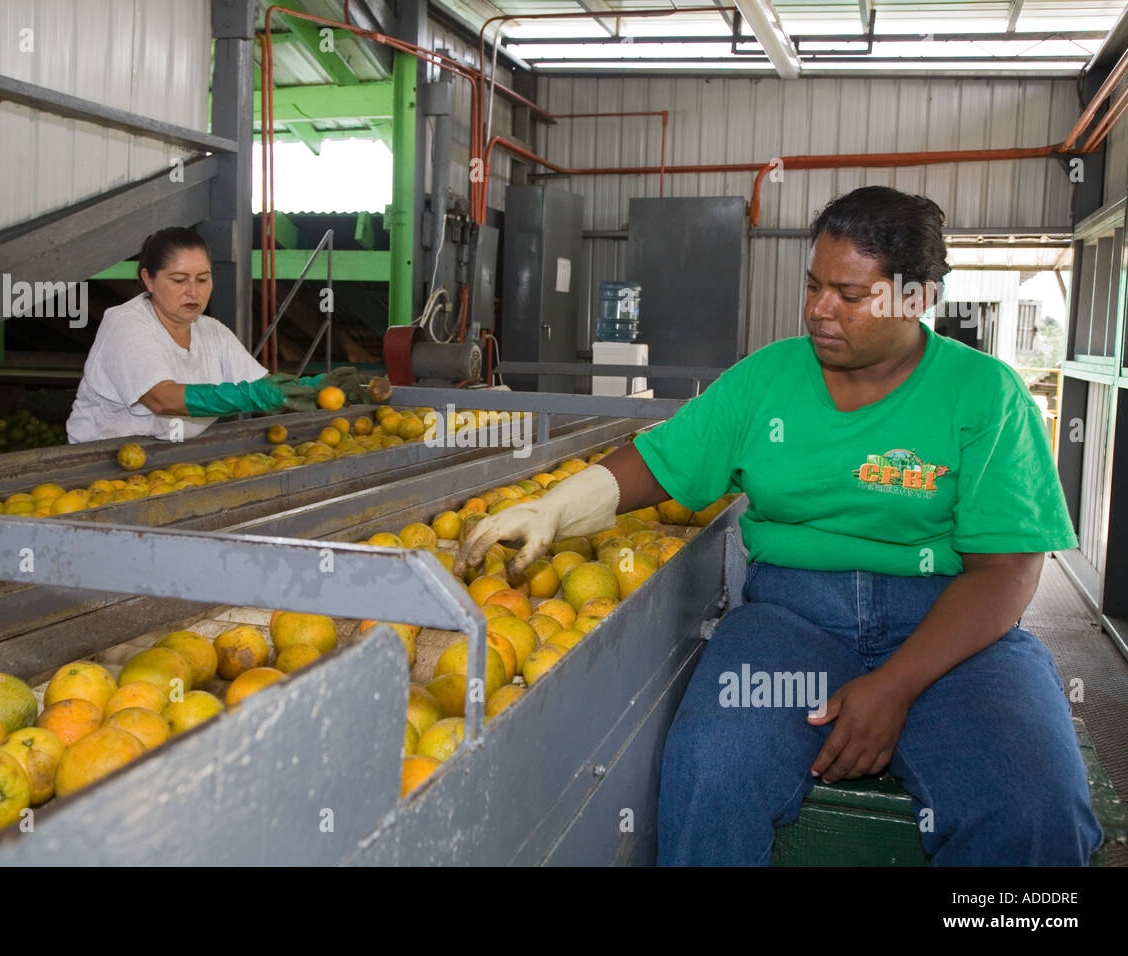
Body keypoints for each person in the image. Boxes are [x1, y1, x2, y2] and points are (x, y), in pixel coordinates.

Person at [455, 185, 1103, 866]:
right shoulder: (767, 379)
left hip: (950, 631)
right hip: (793, 621)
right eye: (813, 285)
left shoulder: (986, 396)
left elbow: (1006, 572)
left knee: (1037, 811)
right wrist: (555, 506)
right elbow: (662, 461)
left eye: (850, 296)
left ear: (917, 298)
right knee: (710, 769)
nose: (820, 311)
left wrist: (896, 683)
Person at [66, 227, 326, 443]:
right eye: (179, 280)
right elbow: (161, 398)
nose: (193, 292)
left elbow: (266, 387)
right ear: (148, 280)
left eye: (202, 280)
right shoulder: (126, 324)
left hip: (174, 460)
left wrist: (317, 390)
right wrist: (245, 396)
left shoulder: (212, 332)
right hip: (101, 463)